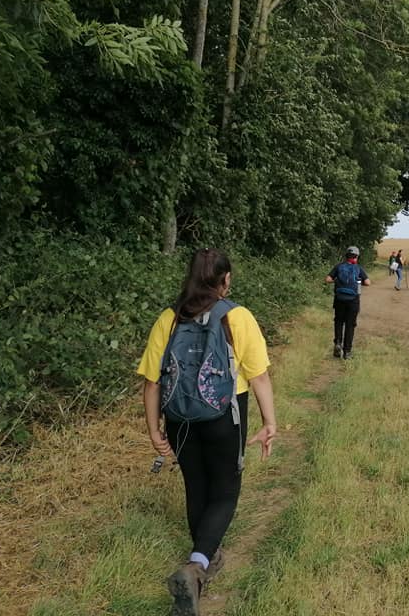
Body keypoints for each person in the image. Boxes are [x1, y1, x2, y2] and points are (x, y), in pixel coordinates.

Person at [138, 248, 277, 615]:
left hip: (178, 419)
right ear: (225, 280)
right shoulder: (237, 316)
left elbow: (152, 383)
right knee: (226, 491)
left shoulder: (168, 318)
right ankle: (198, 564)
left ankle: (205, 557)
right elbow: (259, 376)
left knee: (196, 486)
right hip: (224, 416)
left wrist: (154, 430)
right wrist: (270, 423)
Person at [325, 246, 371, 359]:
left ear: (346, 256)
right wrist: (358, 282)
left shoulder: (339, 266)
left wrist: (337, 281)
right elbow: (368, 282)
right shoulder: (358, 268)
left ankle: (338, 343)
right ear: (356, 257)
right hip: (353, 301)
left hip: (339, 299)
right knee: (350, 325)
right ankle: (347, 352)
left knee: (339, 321)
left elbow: (327, 279)